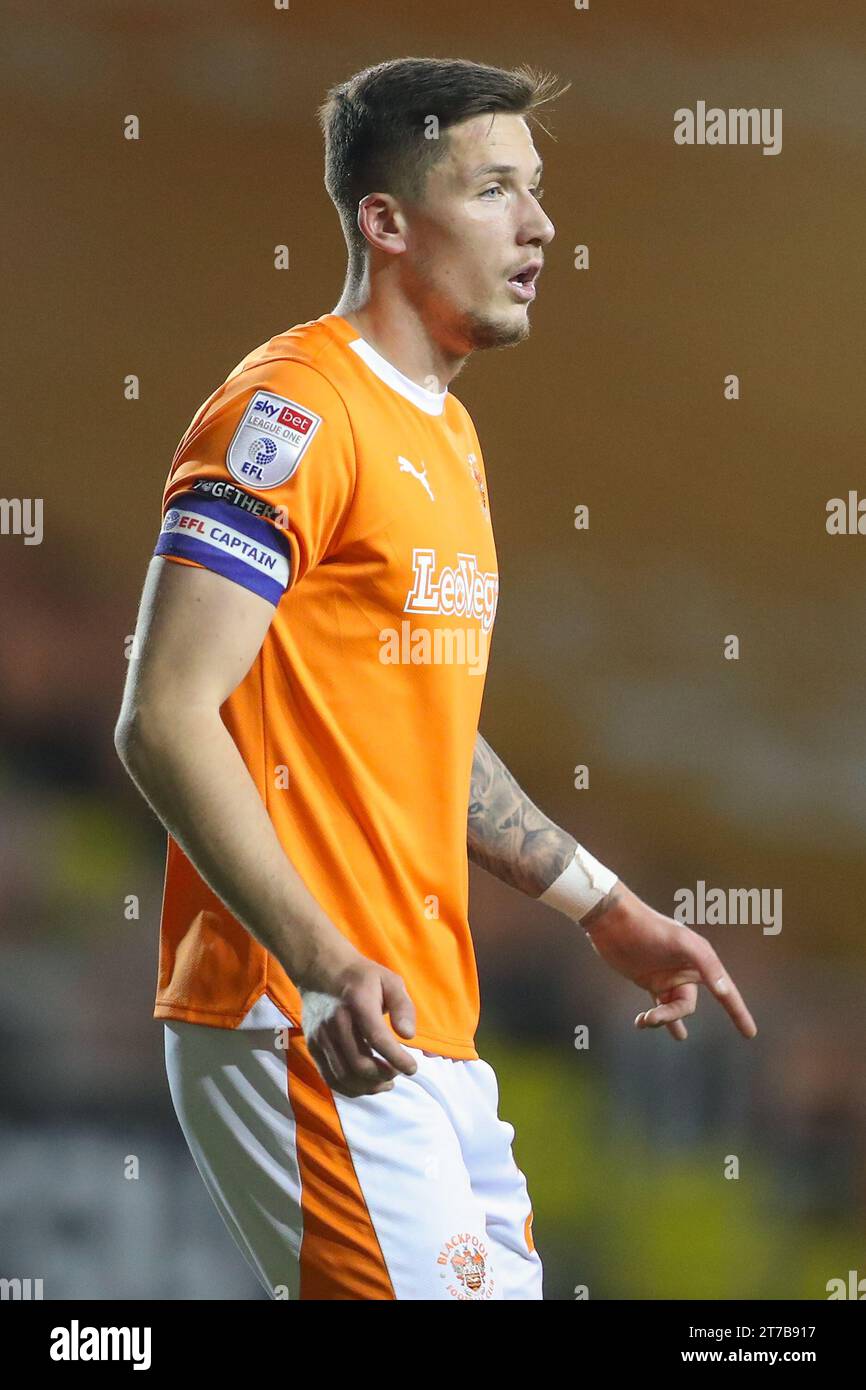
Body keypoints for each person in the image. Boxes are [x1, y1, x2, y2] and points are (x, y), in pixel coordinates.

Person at [115, 56, 757, 1302]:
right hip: (302, 1014)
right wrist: (316, 961)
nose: (540, 225)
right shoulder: (293, 411)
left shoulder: (443, 434)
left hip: (423, 1025)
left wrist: (598, 903)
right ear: (387, 221)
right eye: (496, 189)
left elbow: (421, 731)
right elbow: (163, 712)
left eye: (537, 190)